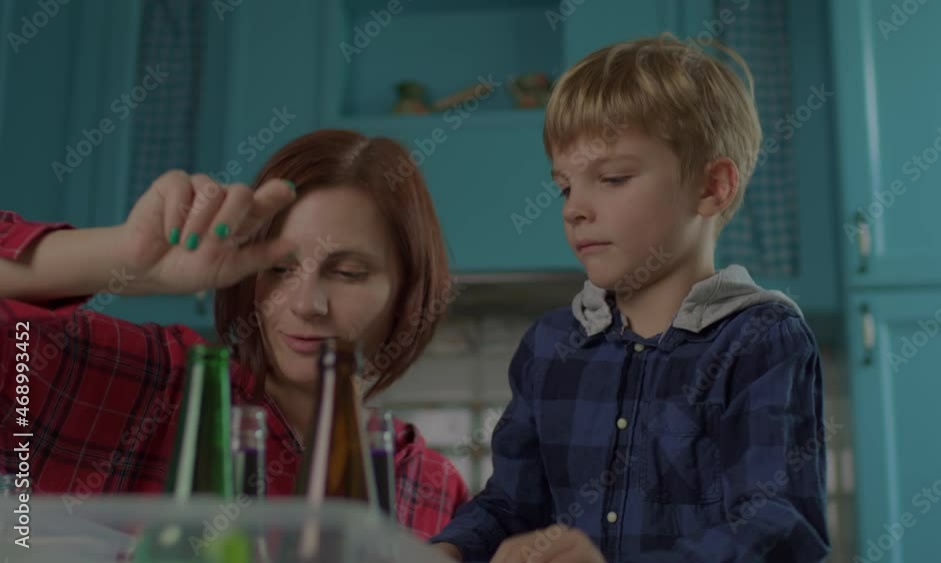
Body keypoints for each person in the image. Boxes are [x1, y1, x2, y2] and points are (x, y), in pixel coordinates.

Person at [430, 35, 830, 562]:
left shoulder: (761, 339)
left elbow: (776, 526)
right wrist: (449, 552)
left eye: (613, 178)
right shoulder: (551, 345)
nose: (575, 209)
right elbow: (510, 505)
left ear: (712, 187)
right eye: (565, 187)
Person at [0, 129, 469, 540]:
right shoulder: (151, 384)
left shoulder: (434, 488)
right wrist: (123, 258)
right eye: (278, 268)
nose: (306, 304)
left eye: (347, 273)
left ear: (407, 290)